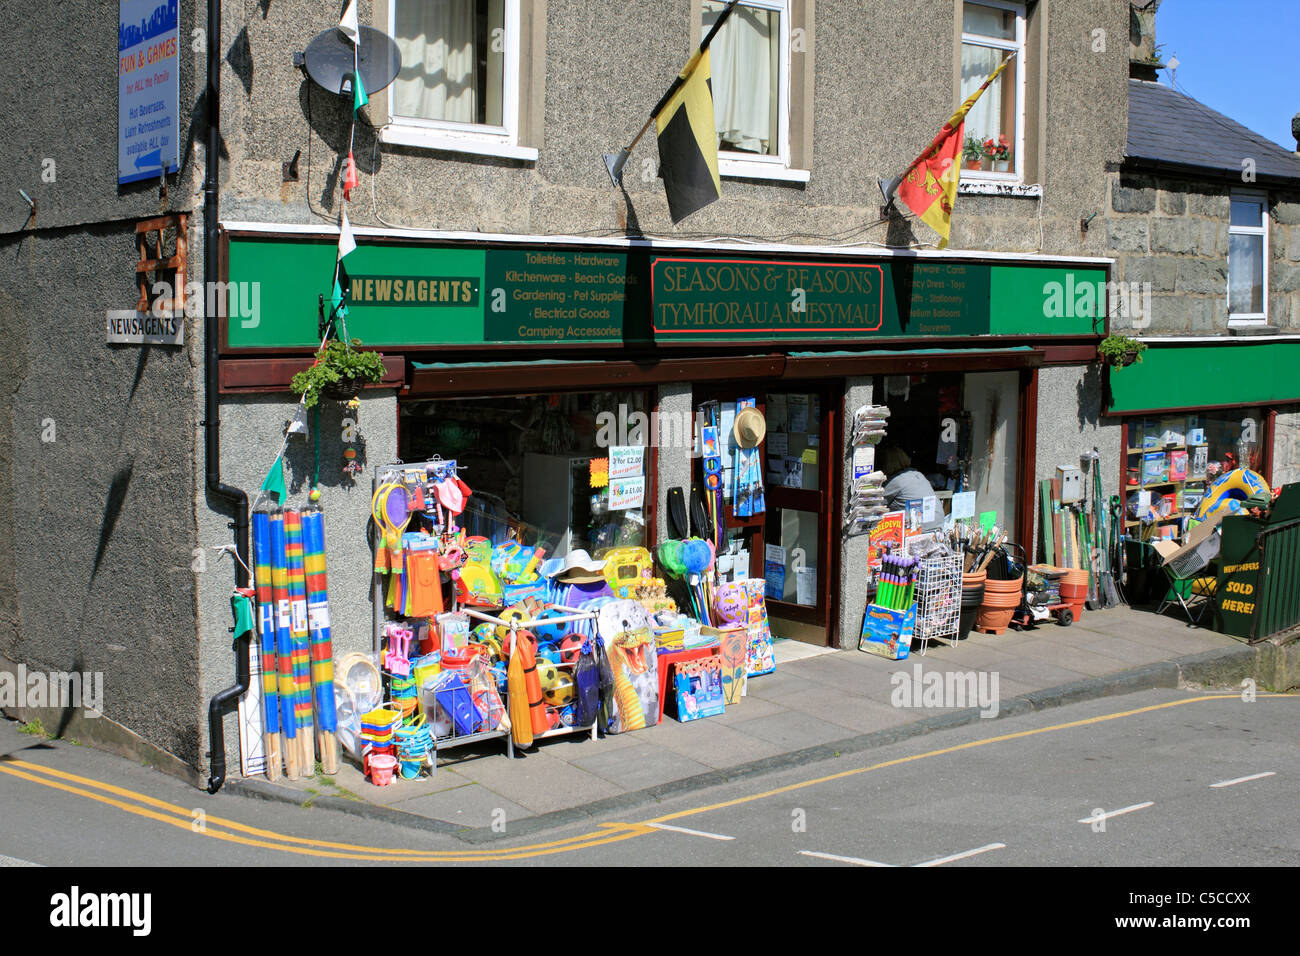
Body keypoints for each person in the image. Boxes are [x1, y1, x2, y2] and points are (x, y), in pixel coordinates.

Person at [878, 445, 943, 532]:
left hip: (921, 529)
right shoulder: (917, 474)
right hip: (938, 524)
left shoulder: (896, 481)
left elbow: (878, 503)